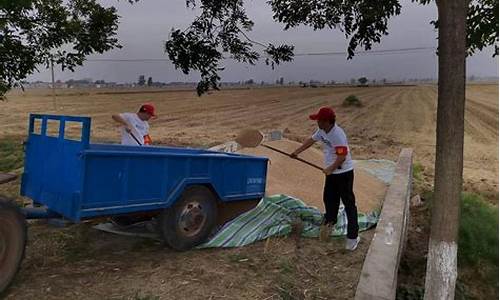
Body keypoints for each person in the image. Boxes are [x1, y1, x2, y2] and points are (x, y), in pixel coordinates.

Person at [291, 106, 360, 250]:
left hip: (344, 173)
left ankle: (353, 237)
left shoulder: (337, 135)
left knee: (349, 204)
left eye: (319, 120)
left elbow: (342, 156)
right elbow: (311, 140)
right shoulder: (322, 130)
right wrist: (296, 152)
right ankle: (330, 223)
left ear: (326, 121)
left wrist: (330, 168)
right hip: (332, 174)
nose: (316, 122)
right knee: (329, 199)